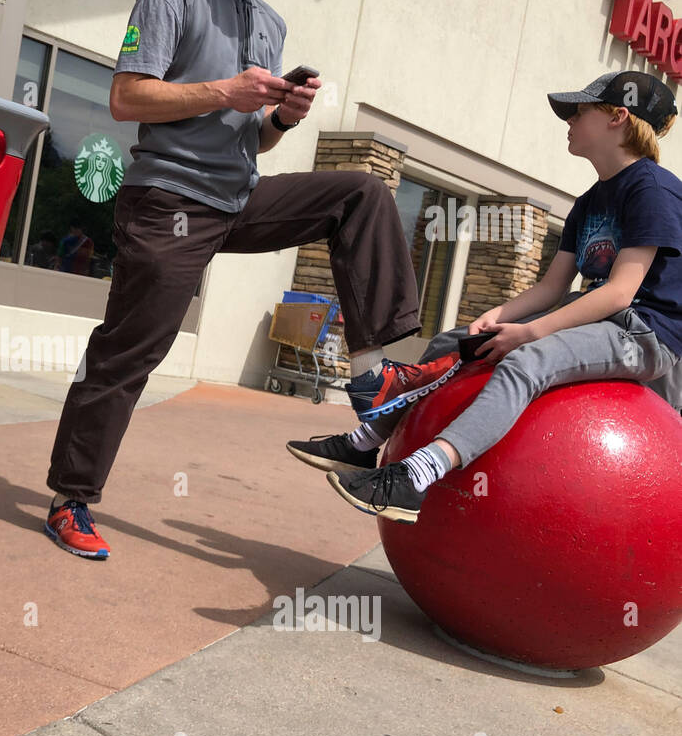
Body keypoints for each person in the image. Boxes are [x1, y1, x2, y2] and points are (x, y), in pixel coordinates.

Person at [44, 0, 422, 560]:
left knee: (360, 195)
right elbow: (127, 99)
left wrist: (278, 115)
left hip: (239, 196)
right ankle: (71, 498)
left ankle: (379, 372)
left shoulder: (269, 23)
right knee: (129, 352)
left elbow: (256, 137)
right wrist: (225, 89)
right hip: (170, 200)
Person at [289, 71, 682, 522]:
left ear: (618, 117)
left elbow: (619, 292)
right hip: (600, 323)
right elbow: (552, 287)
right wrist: (494, 317)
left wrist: (529, 334)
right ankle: (363, 444)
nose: (568, 121)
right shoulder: (590, 201)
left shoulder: (653, 188)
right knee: (451, 344)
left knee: (525, 361)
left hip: (645, 333)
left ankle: (416, 478)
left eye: (580, 111)